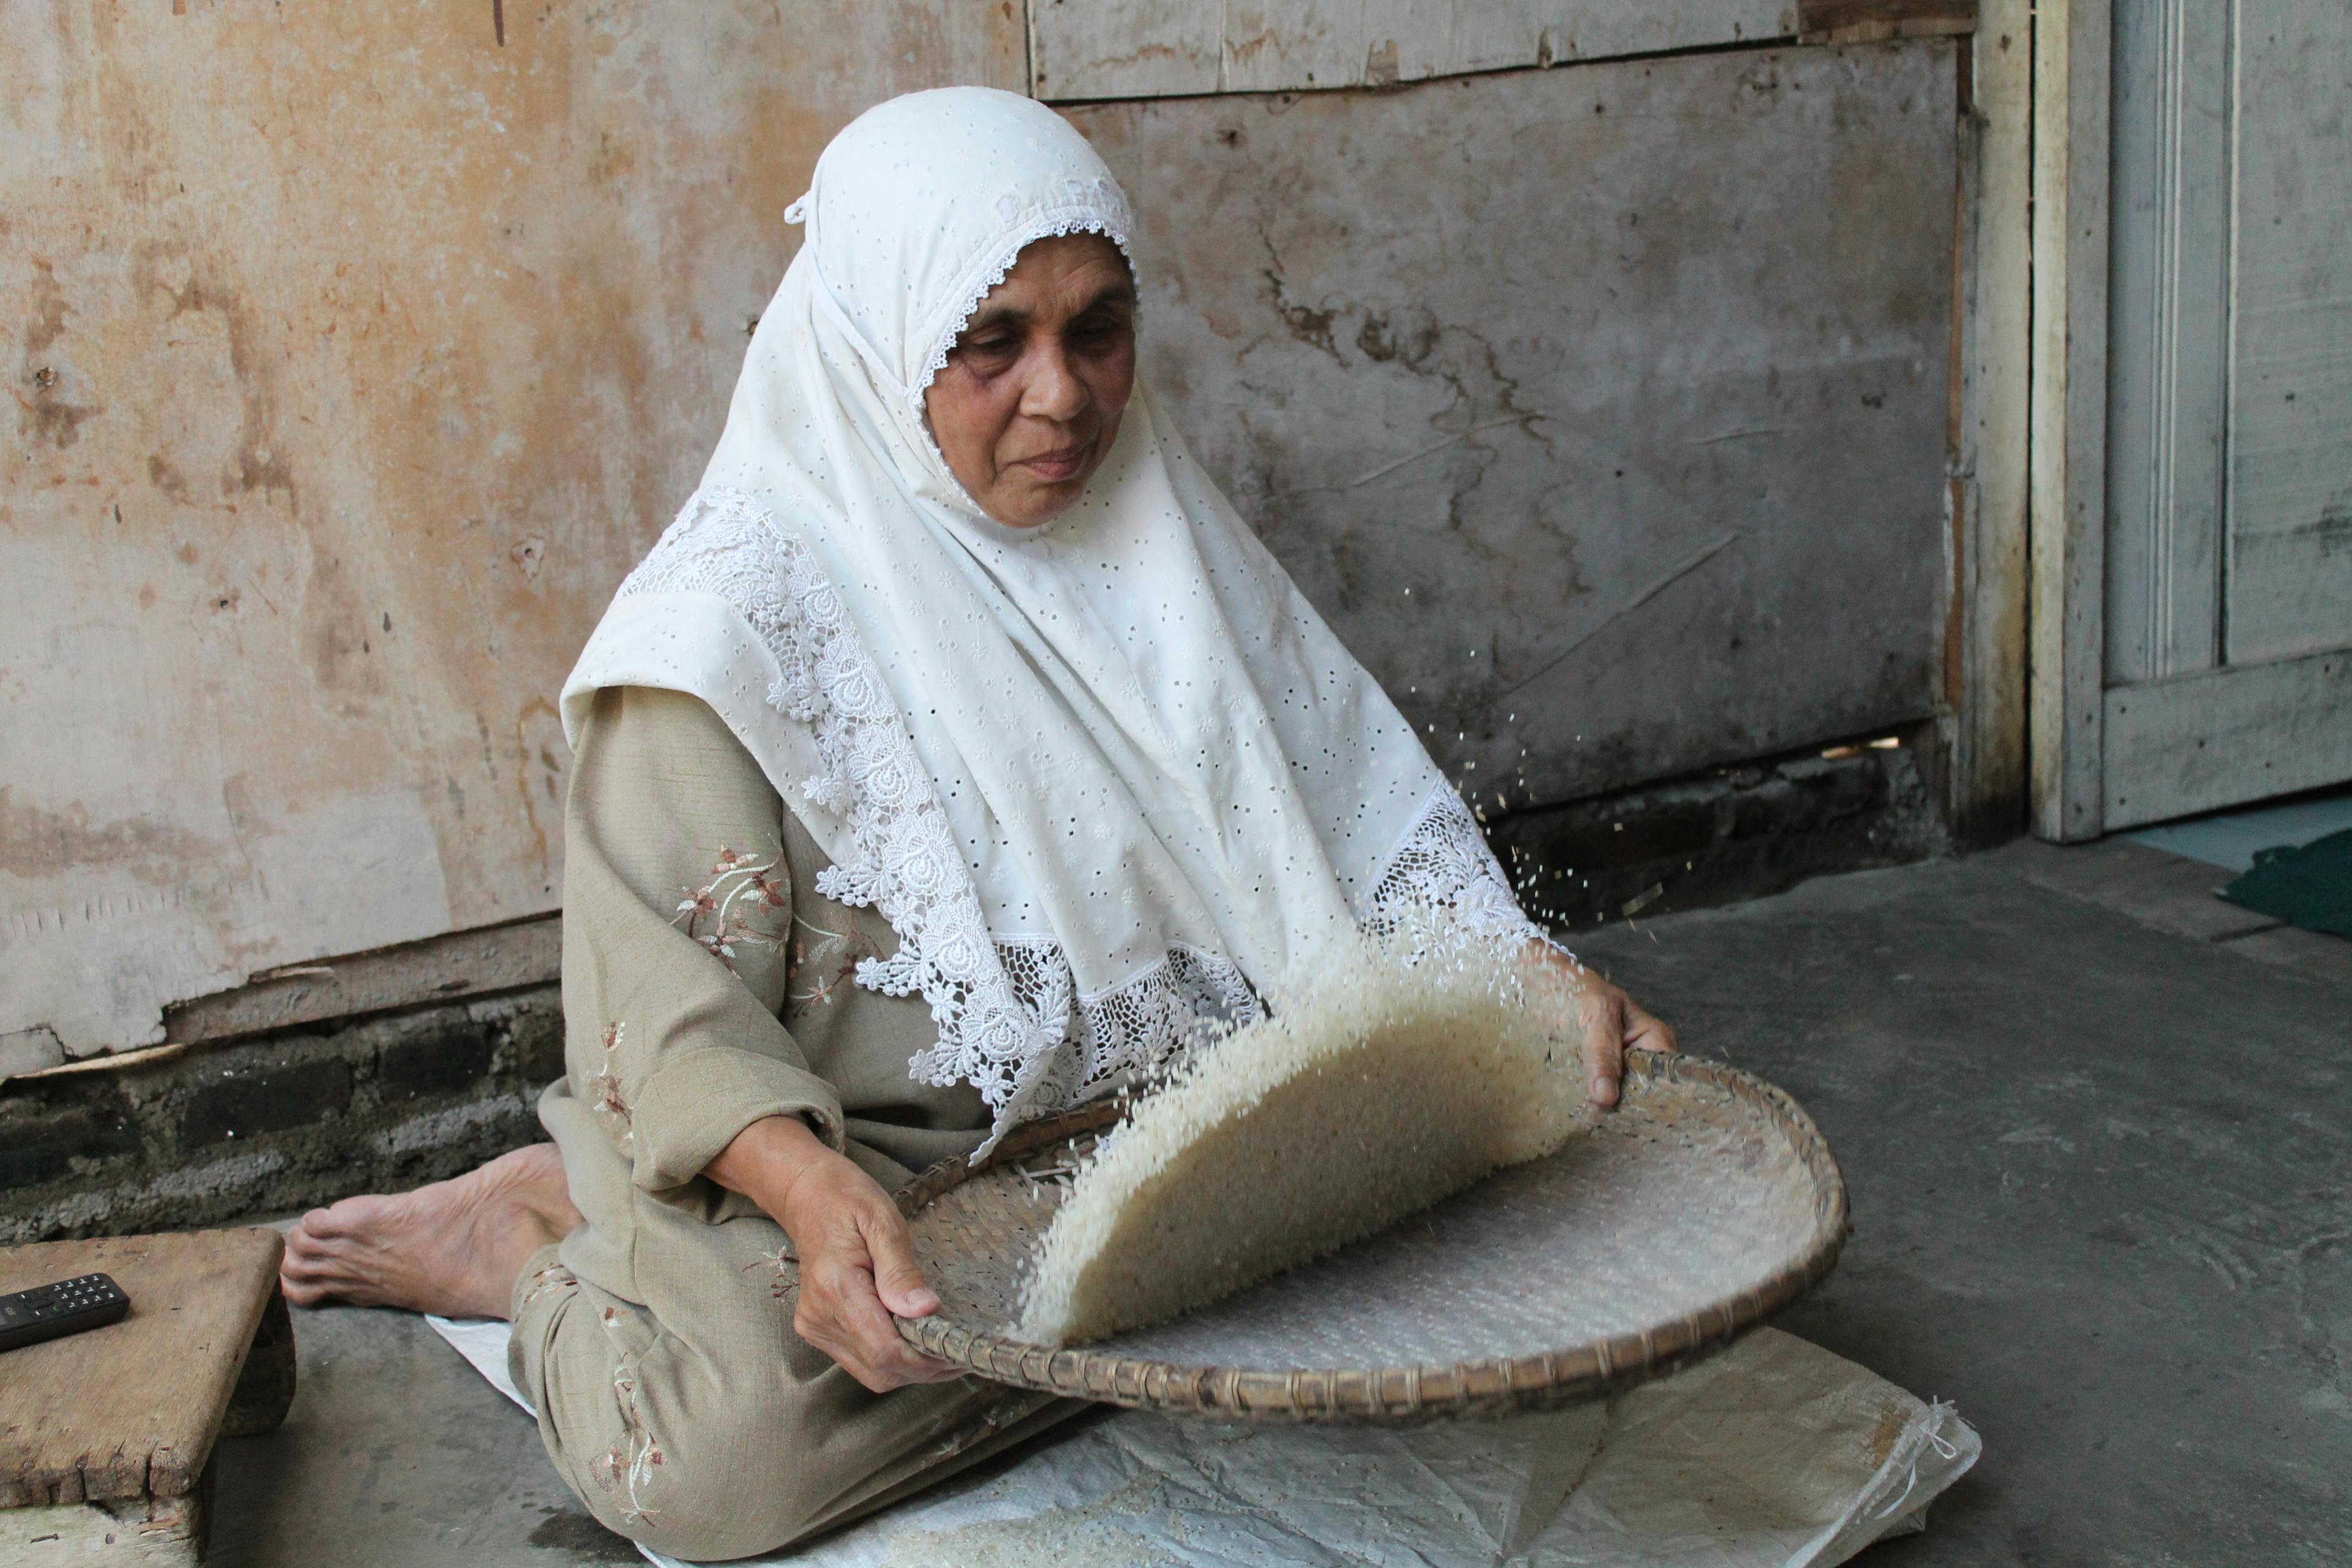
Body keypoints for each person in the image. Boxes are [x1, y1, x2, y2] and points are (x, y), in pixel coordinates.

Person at [280, 86, 1676, 1561]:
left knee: (1539, 1155)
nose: (1064, 398)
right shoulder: (718, 647)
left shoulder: (1160, 530)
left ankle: (1139, 1296)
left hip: (1164, 1119)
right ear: (881, 345)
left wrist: (1509, 973)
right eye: (989, 341)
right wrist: (811, 1197)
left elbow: (1356, 825)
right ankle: (542, 1246)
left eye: (1098, 329)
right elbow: (667, 1011)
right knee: (731, 1457)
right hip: (887, 1175)